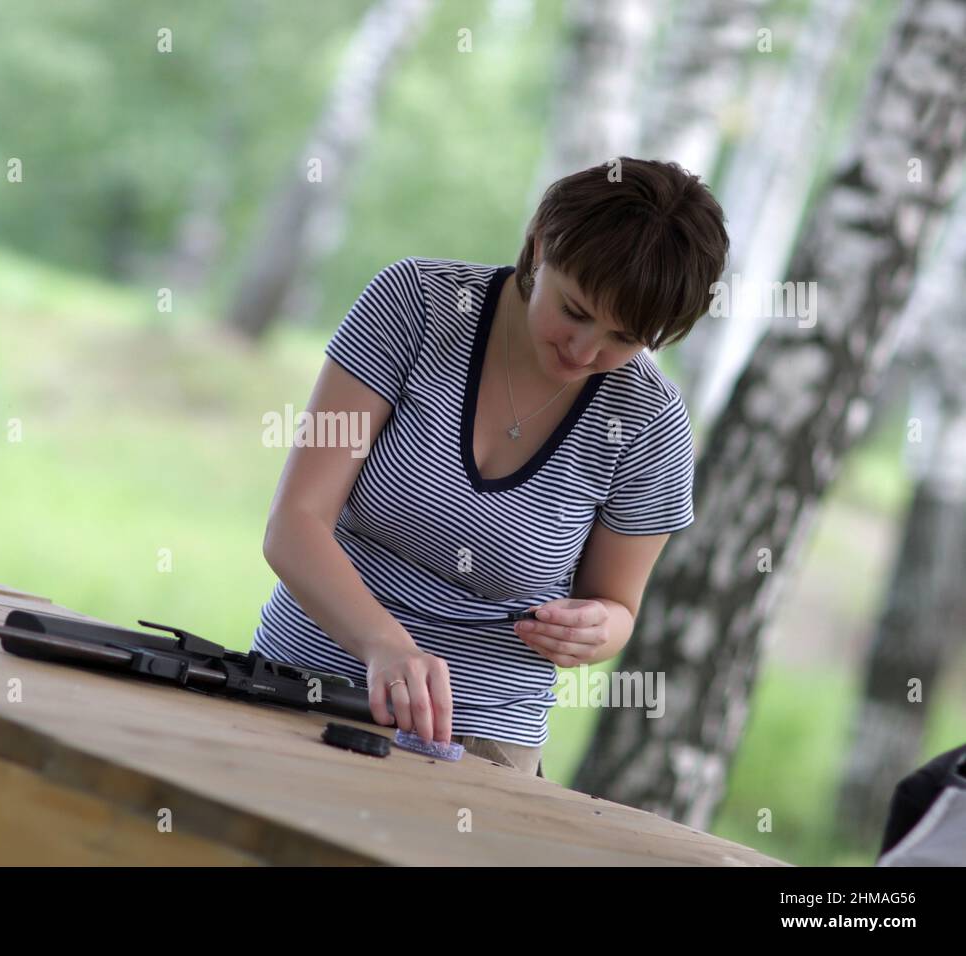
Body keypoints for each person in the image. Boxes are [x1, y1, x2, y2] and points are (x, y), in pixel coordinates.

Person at [253, 157, 730, 779]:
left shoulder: (649, 422)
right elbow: (295, 523)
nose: (585, 352)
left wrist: (595, 630)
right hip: (302, 685)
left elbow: (618, 608)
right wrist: (385, 645)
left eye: (623, 337)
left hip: (482, 743)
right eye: (576, 310)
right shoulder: (417, 306)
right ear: (538, 248)